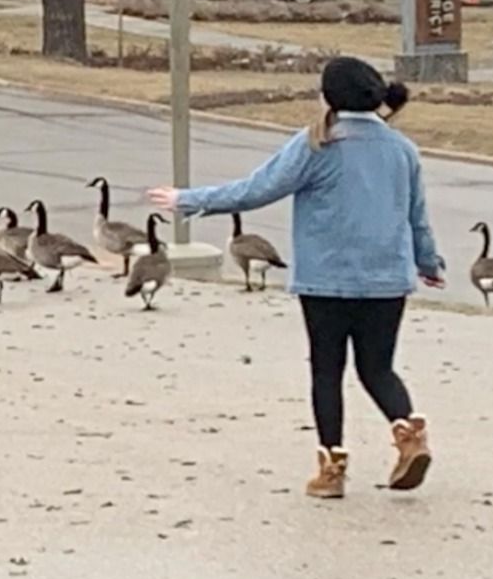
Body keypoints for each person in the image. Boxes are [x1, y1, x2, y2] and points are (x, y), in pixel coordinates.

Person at [147, 56, 442, 499]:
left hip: (326, 278)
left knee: (327, 370)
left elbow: (258, 188)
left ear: (328, 98)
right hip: (386, 277)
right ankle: (407, 433)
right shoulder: (402, 149)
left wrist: (188, 199)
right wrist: (428, 261)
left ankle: (332, 469)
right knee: (377, 368)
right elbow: (416, 214)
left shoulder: (316, 145)